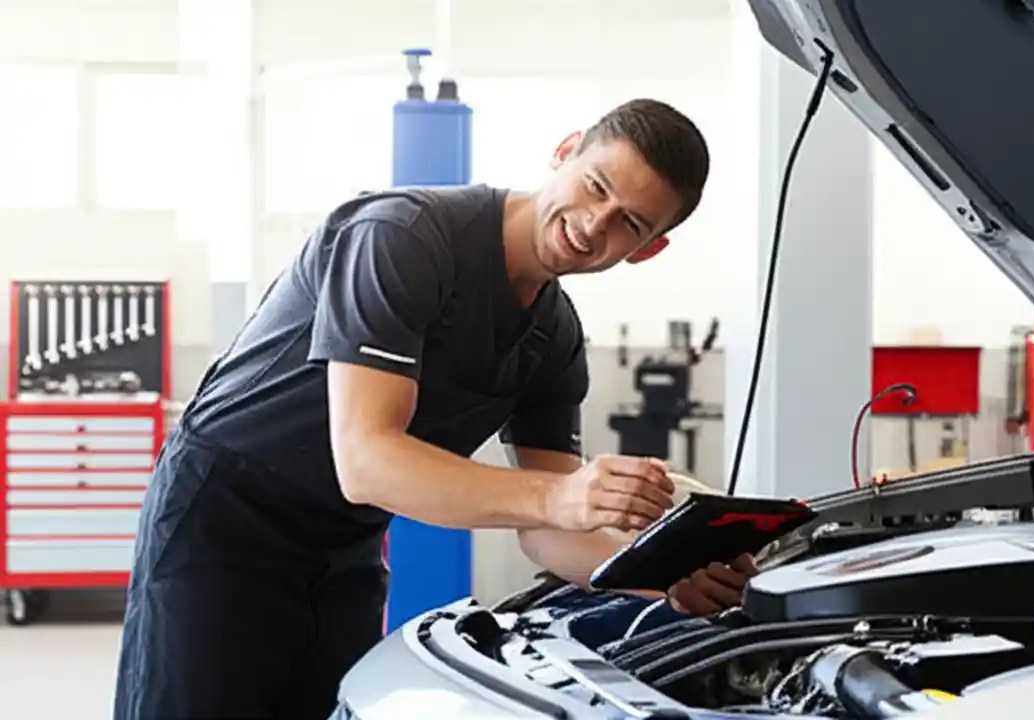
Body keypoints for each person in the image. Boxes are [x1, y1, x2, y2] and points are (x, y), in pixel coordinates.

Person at [113, 98, 756, 719]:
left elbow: (547, 533)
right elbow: (365, 460)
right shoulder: (402, 237)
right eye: (595, 186)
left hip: (344, 545)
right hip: (223, 525)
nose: (595, 224)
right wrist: (562, 497)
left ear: (647, 250)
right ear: (564, 152)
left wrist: (662, 576)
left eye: (630, 223)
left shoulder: (554, 337)